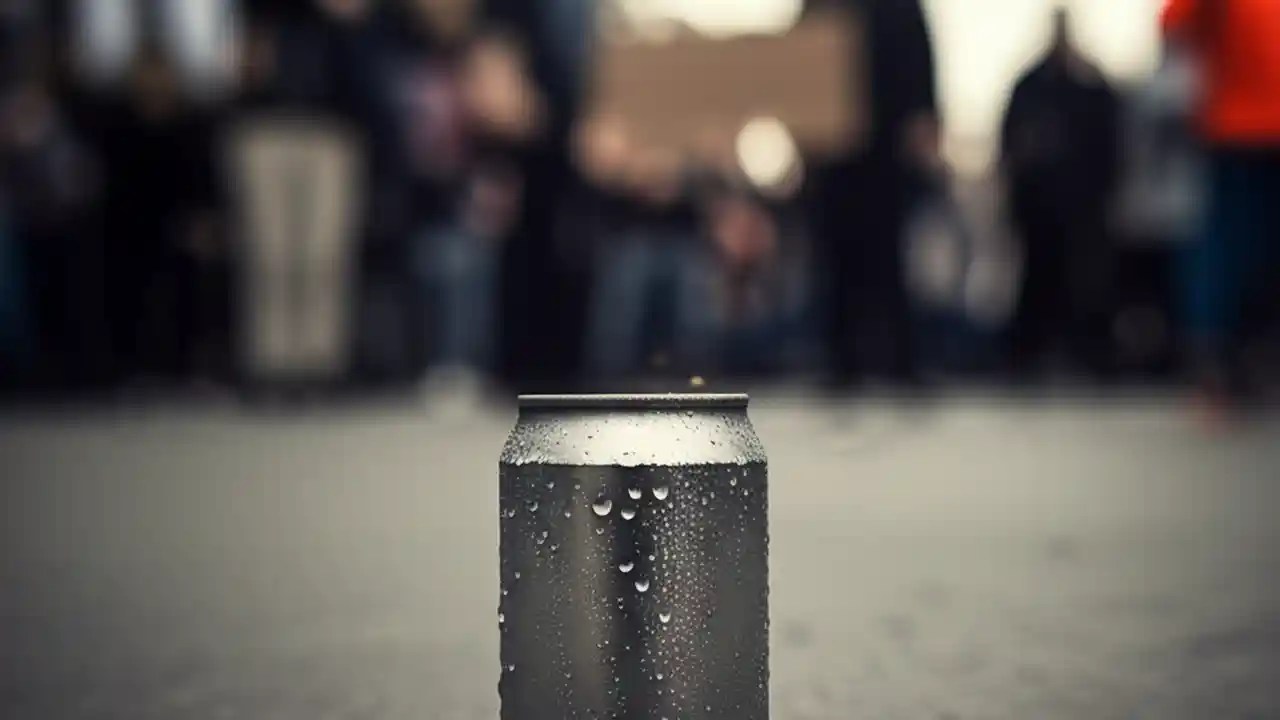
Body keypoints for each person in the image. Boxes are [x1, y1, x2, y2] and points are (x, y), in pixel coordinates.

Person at [808, 0, 941, 387]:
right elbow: (802, 57)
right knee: (837, 256)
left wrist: (924, 119)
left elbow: (920, 58)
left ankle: (900, 360)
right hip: (833, 148)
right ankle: (841, 361)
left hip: (887, 143)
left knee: (889, 256)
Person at [1162, 0, 1280, 415]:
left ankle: (1246, 355)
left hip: (1243, 128)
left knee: (1250, 248)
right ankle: (1218, 356)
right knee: (1231, 249)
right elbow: (1174, 23)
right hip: (1237, 130)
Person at [1000, 8, 1121, 378]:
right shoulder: (1030, 85)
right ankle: (1029, 356)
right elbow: (1011, 145)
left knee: (1086, 282)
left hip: (1080, 206)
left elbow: (1110, 145)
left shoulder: (1091, 85)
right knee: (1038, 281)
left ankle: (1087, 355)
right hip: (1039, 206)